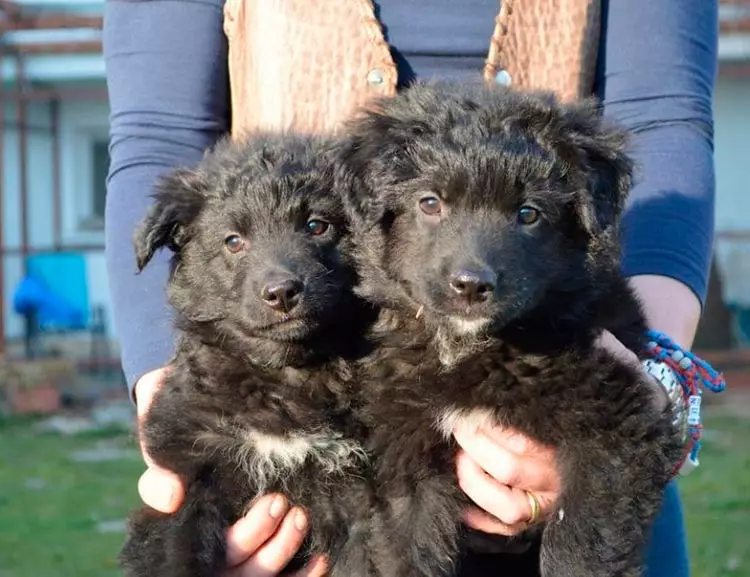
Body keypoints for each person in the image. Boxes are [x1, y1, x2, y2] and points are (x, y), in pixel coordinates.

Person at [104, 1, 718, 575]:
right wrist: (177, 402)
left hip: (563, 337)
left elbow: (665, 117)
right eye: (430, 204)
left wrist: (650, 371)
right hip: (323, 358)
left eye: (524, 214)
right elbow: (156, 134)